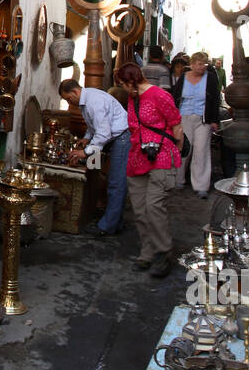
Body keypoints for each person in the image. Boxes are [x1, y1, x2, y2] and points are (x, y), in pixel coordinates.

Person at [117, 63, 182, 277]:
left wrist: (176, 152)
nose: (123, 89)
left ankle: (164, 252)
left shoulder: (160, 96)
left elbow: (176, 125)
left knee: (154, 206)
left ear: (131, 81)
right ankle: (148, 252)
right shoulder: (133, 98)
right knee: (140, 209)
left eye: (123, 85)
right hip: (138, 157)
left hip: (161, 156)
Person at [59, 78, 130, 237]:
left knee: (116, 182)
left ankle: (107, 226)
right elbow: (94, 126)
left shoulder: (93, 102)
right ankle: (115, 222)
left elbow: (103, 133)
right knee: (111, 179)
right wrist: (86, 138)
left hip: (122, 138)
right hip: (115, 138)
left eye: (69, 99)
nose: (69, 102)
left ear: (75, 92)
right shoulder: (87, 100)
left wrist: (85, 152)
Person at [169, 51, 221, 198]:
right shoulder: (184, 78)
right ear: (192, 64)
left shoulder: (210, 78)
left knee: (201, 151)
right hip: (183, 118)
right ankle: (178, 179)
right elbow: (175, 97)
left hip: (203, 119)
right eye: (199, 64)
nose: (202, 67)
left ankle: (201, 186)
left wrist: (214, 121)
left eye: (204, 64)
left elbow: (215, 100)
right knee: (183, 149)